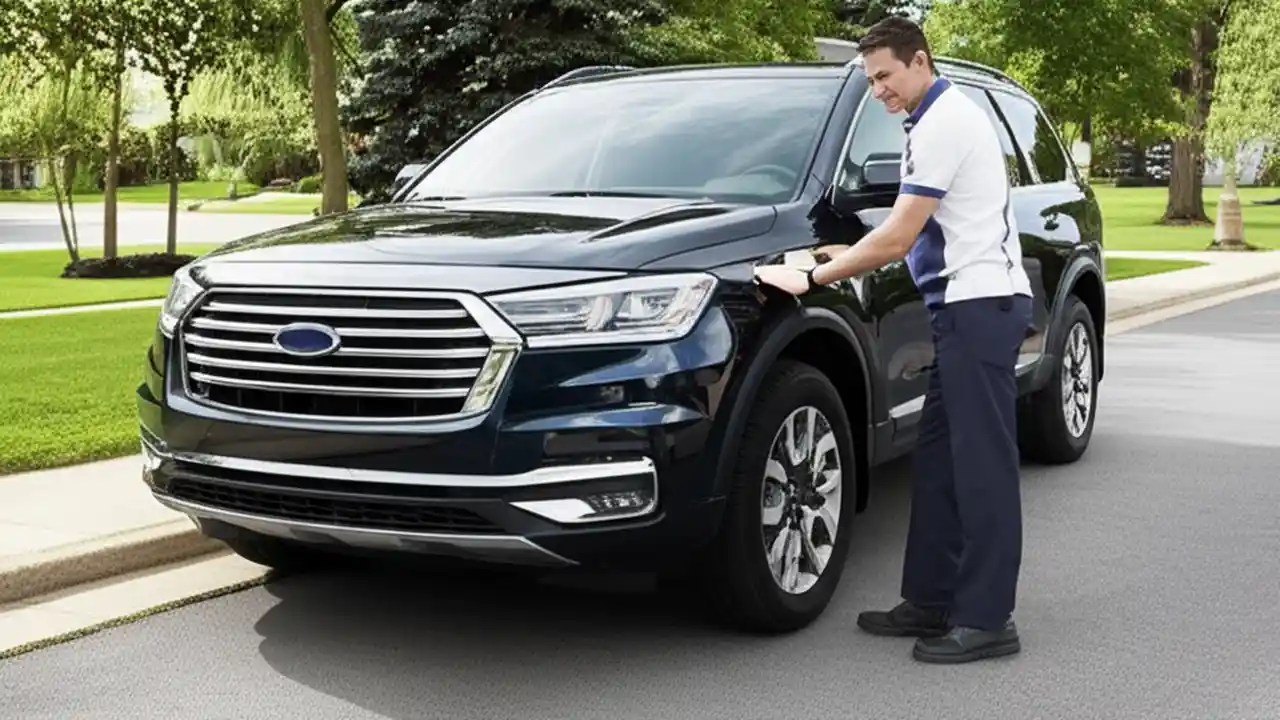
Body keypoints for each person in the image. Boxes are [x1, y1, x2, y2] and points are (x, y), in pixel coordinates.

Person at [754, 16, 1033, 664]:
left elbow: (903, 236)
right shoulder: (928, 123)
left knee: (982, 470)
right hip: (960, 310)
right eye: (870, 79)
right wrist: (845, 248)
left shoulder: (945, 122)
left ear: (919, 62)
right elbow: (915, 222)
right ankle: (930, 599)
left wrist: (815, 274)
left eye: (884, 76)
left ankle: (989, 619)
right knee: (938, 464)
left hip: (981, 306)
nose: (877, 90)